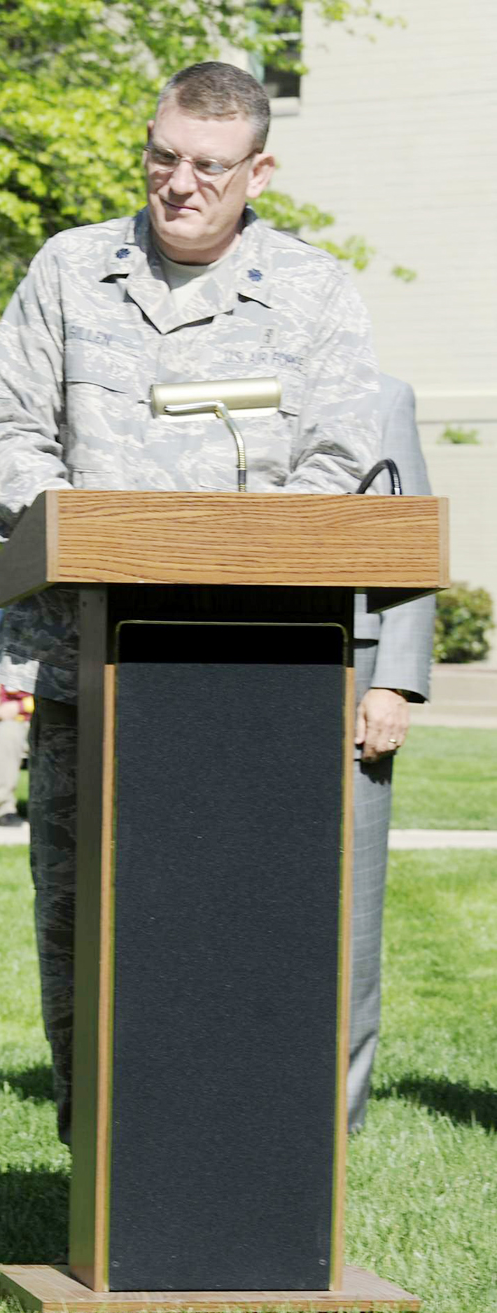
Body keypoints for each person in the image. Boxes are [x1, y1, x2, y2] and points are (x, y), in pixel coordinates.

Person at [0, 60, 379, 1139]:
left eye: (207, 164)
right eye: (161, 156)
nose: (178, 182)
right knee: (83, 926)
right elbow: (2, 440)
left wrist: (235, 543)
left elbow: (341, 463)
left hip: (260, 681)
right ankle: (99, 1167)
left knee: (243, 931)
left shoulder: (317, 290)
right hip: (84, 669)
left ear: (260, 170)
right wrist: (81, 519)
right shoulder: (68, 271)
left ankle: (249, 1168)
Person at [347, 375, 437, 1134]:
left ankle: (334, 1113)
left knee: (349, 910)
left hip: (351, 679)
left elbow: (408, 546)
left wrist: (396, 684)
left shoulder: (380, 396)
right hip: (205, 671)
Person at [0, 681, 31, 829]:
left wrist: (21, 706)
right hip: (13, 723)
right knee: (5, 735)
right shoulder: (1, 665)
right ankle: (2, 809)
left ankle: (57, 808)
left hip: (49, 719)